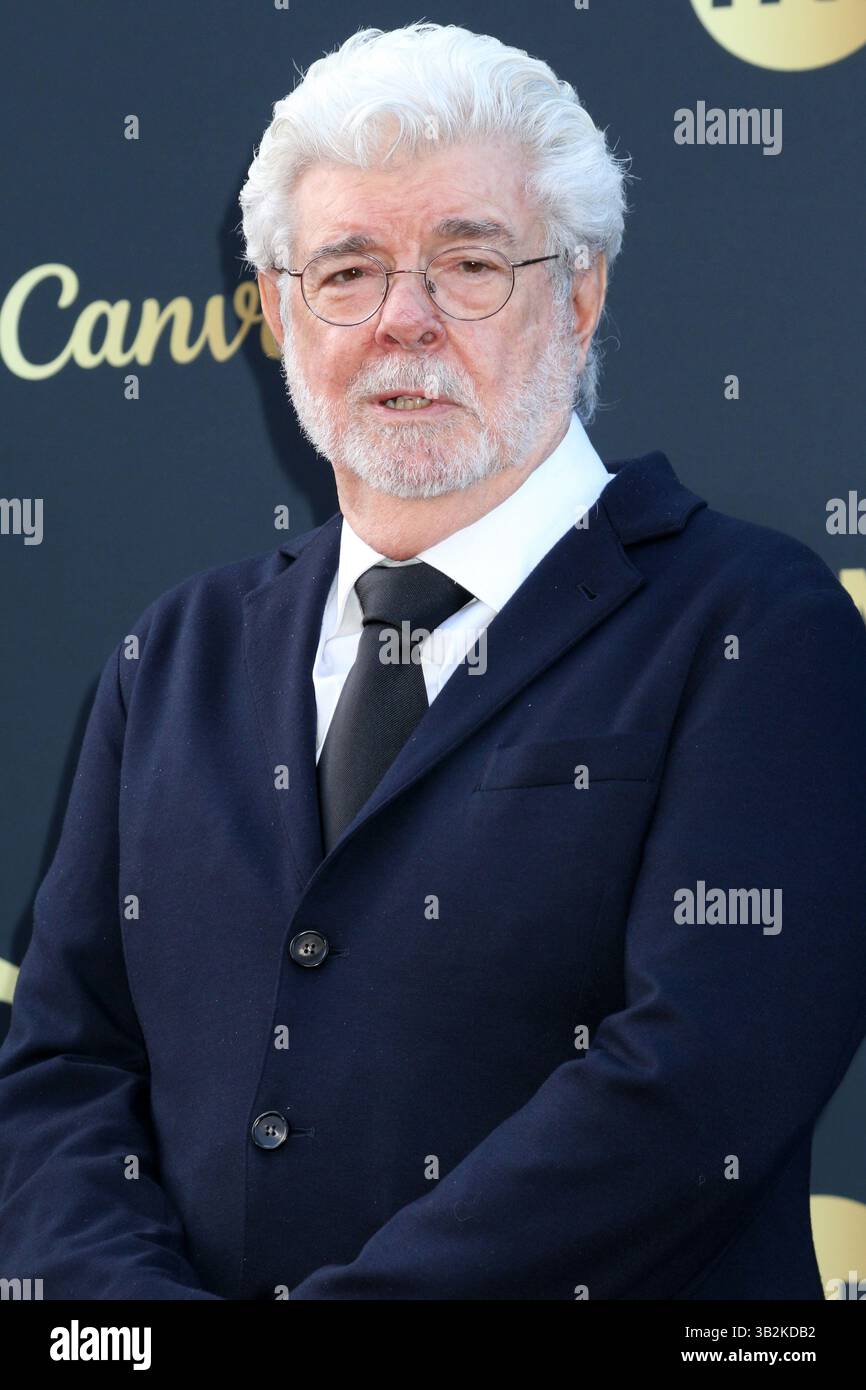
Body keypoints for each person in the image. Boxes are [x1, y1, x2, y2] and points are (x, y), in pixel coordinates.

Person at [1, 21, 865, 1301]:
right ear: (282, 314)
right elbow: (67, 1072)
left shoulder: (758, 628)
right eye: (346, 271)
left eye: (467, 262)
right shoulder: (174, 655)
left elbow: (693, 1090)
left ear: (579, 293)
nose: (401, 320)